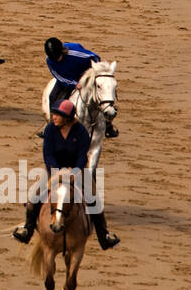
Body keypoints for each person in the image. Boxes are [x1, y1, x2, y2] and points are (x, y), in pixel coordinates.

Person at [13, 99, 119, 249]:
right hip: (53, 169)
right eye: (54, 114)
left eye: (58, 114)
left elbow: (83, 155)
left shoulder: (81, 131)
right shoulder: (50, 129)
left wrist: (75, 171)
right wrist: (57, 172)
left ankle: (104, 235)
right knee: (33, 195)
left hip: (78, 169)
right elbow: (48, 154)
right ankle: (27, 229)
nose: (54, 117)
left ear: (67, 118)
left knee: (94, 198)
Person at [43, 37, 118, 137]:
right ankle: (52, 125)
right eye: (54, 58)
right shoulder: (50, 61)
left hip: (84, 74)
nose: (57, 59)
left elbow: (95, 57)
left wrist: (92, 74)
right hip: (67, 78)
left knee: (103, 95)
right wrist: (74, 84)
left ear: (62, 51)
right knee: (52, 97)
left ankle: (108, 125)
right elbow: (58, 76)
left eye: (58, 56)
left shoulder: (75, 53)